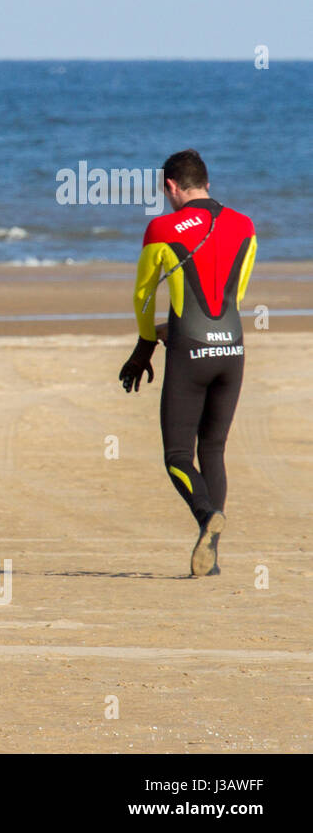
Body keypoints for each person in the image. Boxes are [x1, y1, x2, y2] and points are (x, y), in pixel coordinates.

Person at [120, 149, 257, 577]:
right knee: (213, 449)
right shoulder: (245, 226)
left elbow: (143, 294)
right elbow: (234, 296)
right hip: (231, 350)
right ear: (208, 184)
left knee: (178, 455)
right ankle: (210, 556)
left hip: (191, 354)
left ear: (170, 187)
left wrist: (146, 342)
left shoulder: (162, 228)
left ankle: (204, 515)